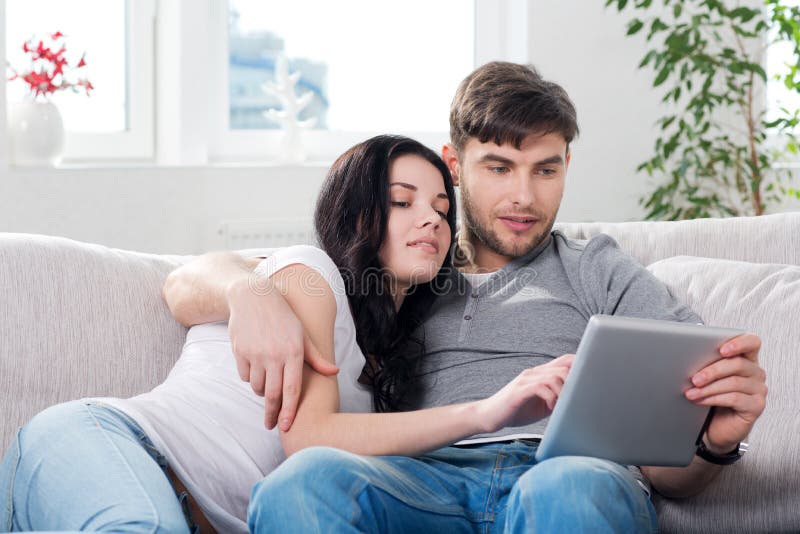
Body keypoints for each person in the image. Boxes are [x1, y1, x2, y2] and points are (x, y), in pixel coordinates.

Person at [171, 62, 767, 533]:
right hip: (418, 478)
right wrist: (247, 289)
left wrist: (714, 444)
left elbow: (667, 474)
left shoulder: (598, 268)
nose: (523, 197)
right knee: (302, 483)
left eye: (545, 170)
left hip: (563, 472)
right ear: (453, 165)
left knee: (568, 489)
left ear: (567, 165)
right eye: (499, 167)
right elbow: (188, 281)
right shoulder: (400, 263)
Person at [0, 135, 461, 532]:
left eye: (443, 209)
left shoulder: (387, 367)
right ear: (358, 216)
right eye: (403, 201)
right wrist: (246, 291)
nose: (432, 219)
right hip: (109, 443)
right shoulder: (308, 272)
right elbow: (180, 285)